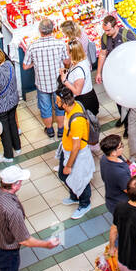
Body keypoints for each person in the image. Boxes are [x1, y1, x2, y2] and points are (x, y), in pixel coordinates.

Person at [0, 165, 61, 271]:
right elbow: (25, 240)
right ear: (15, 185)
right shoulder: (13, 210)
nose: (21, 184)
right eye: (20, 182)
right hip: (6, 253)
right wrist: (46, 244)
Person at [23, 18, 67, 138]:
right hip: (58, 82)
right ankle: (61, 129)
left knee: (45, 108)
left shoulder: (33, 46)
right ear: (53, 29)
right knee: (60, 105)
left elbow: (25, 66)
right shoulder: (60, 43)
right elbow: (66, 60)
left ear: (40, 30)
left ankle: (50, 130)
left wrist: (34, 63)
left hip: (42, 83)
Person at [57, 86, 95, 219]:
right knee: (63, 176)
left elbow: (76, 147)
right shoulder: (71, 108)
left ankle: (85, 204)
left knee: (81, 180)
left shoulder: (77, 120)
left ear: (65, 102)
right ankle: (74, 196)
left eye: (58, 101)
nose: (56, 103)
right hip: (66, 150)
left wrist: (69, 165)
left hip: (77, 155)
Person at [0, 44, 21, 163]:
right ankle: (17, 148)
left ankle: (8, 155)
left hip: (2, 107)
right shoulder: (9, 64)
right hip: (13, 101)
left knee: (4, 131)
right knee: (13, 124)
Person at [60, 38, 99, 116]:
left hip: (84, 102)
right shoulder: (82, 60)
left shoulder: (79, 70)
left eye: (67, 50)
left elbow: (77, 92)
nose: (66, 52)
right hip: (89, 96)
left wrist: (64, 80)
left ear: (72, 53)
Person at [99, 135, 133, 216]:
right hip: (122, 206)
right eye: (121, 146)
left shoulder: (104, 158)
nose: (123, 147)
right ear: (113, 153)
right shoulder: (120, 173)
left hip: (112, 199)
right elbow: (129, 191)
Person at [97, 13, 134, 83]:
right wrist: (98, 73)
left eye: (108, 30)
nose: (106, 33)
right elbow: (102, 54)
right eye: (104, 30)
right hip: (114, 68)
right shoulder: (104, 37)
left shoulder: (127, 35)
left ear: (116, 26)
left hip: (127, 68)